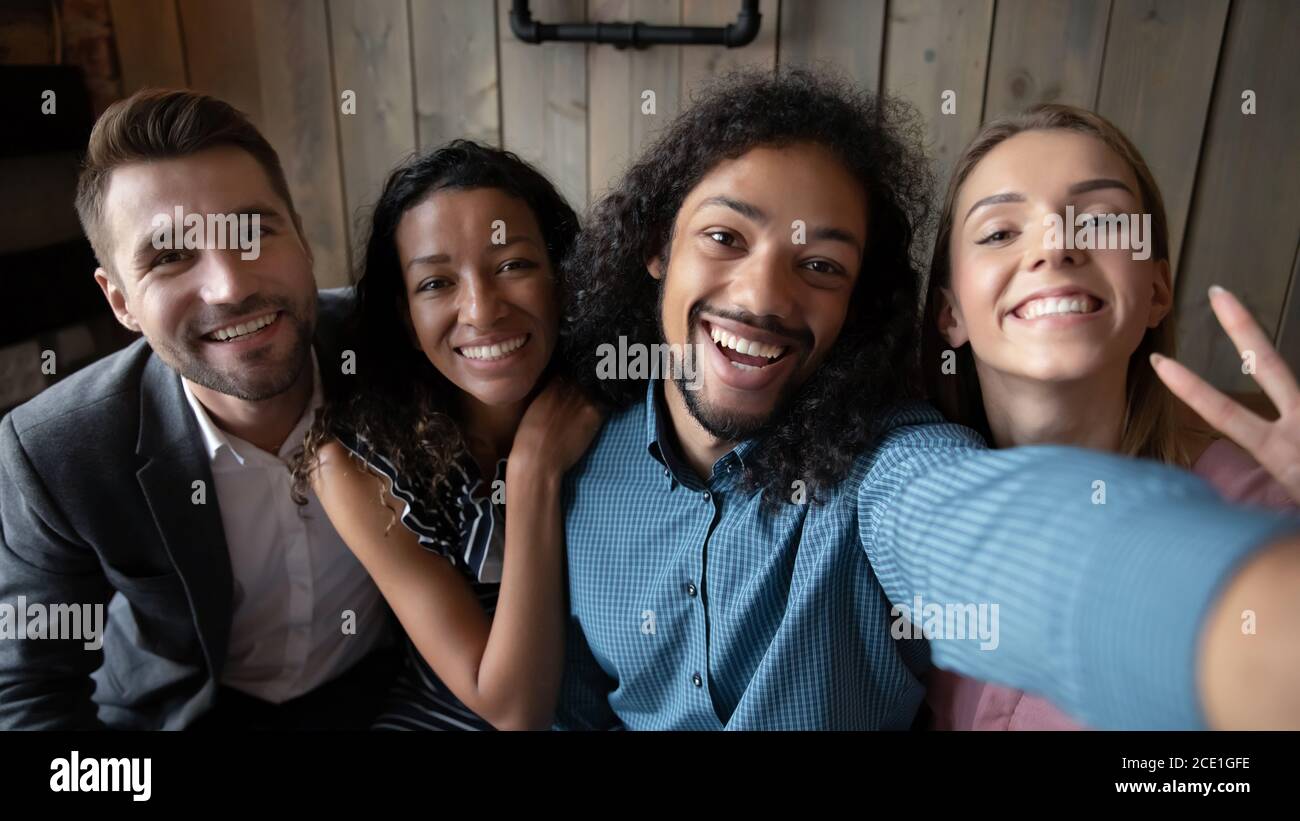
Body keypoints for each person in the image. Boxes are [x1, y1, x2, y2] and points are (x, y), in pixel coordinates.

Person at [552, 68, 1300, 730]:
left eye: (820, 264)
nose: (761, 295)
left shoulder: (882, 463)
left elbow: (989, 537)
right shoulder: (583, 457)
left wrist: (1251, 629)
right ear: (658, 245)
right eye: (724, 235)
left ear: (857, 306)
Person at [0, 89, 398, 730]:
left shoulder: (400, 344)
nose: (230, 285)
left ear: (301, 239)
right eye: (170, 257)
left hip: (381, 694)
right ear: (121, 301)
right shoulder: (56, 452)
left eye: (253, 232)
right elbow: (28, 696)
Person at [919, 104, 1296, 730]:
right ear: (950, 312)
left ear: (1156, 290)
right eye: (1000, 232)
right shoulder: (900, 501)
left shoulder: (1260, 521)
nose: (1057, 246)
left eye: (1100, 223)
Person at [291, 142, 602, 730]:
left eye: (513, 265)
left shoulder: (616, 406)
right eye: (436, 283)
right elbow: (514, 711)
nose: (482, 311)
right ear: (407, 320)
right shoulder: (354, 466)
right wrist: (533, 470)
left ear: (563, 278)